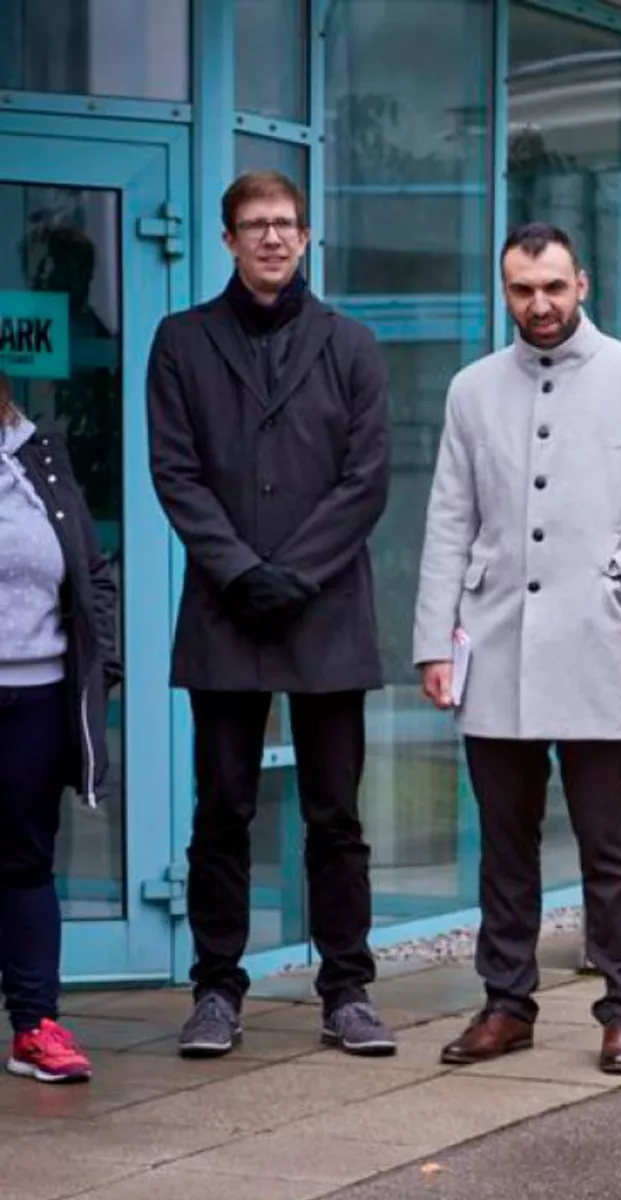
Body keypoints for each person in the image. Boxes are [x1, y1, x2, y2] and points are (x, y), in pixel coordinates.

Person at [411, 223, 621, 1076]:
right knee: (505, 843)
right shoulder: (472, 390)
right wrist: (436, 641)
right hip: (492, 645)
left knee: (607, 841)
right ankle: (507, 1003)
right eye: (520, 291)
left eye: (552, 287)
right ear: (504, 292)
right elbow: (447, 520)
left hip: (595, 643)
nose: (538, 305)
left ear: (583, 284)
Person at [147, 171, 394, 1060]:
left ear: (307, 235)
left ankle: (348, 989)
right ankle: (216, 989)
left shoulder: (353, 345)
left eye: (286, 224)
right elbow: (175, 471)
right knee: (223, 808)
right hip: (225, 614)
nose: (272, 239)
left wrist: (292, 574)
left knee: (336, 814)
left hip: (325, 614)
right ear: (227, 239)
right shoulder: (181, 342)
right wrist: (241, 571)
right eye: (254, 226)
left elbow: (367, 478)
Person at [0, 376, 120, 1086]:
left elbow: (90, 572)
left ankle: (35, 1026)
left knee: (24, 862)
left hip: (39, 694)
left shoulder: (39, 454)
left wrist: (100, 669)